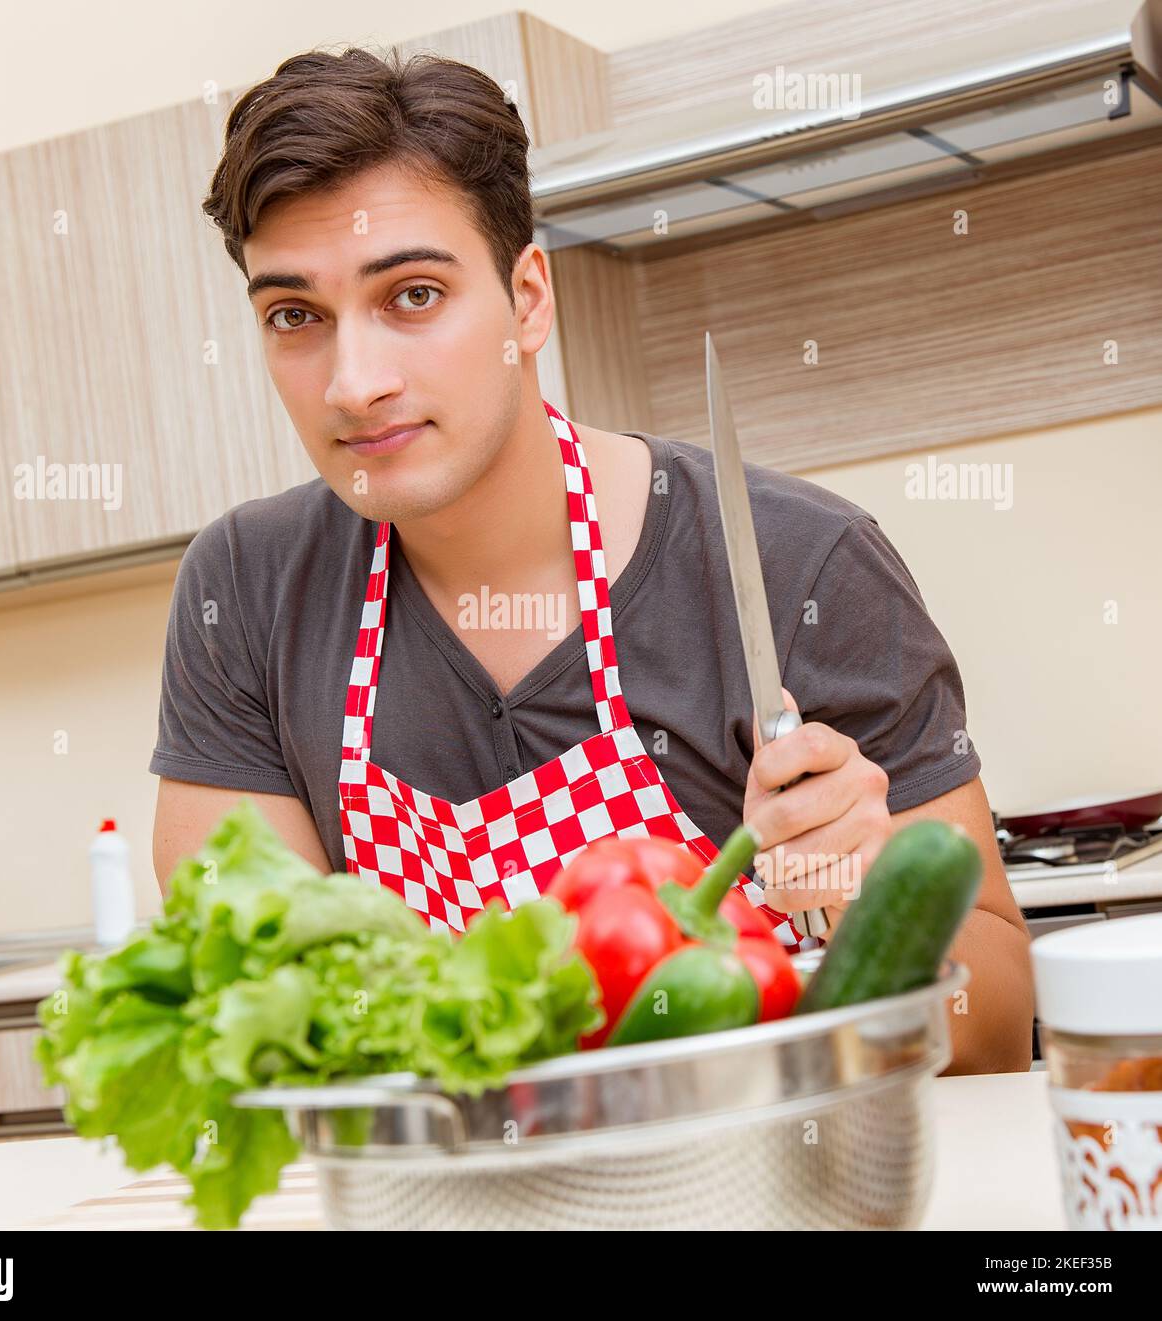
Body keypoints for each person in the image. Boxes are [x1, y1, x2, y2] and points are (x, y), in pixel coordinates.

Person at [148, 46, 1032, 1073]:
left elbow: (998, 1026)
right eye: (294, 316)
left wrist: (866, 903)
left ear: (527, 299)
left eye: (414, 295)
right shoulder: (246, 592)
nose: (353, 382)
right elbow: (256, 1016)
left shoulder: (799, 564)